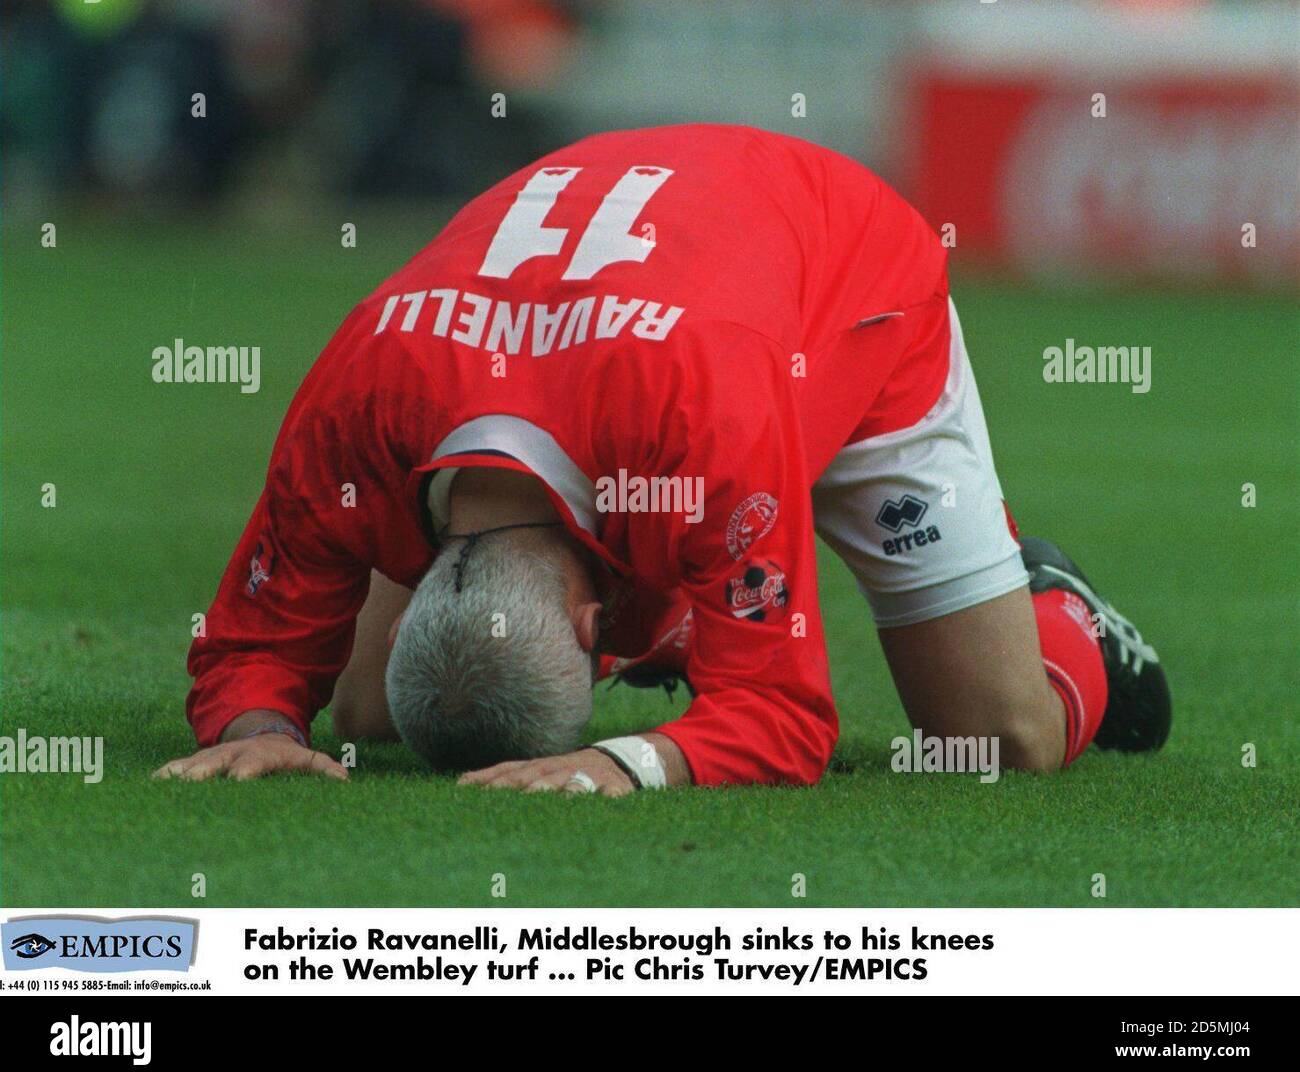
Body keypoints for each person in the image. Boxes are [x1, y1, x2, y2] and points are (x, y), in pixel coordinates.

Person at [155, 124, 1170, 794]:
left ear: (601, 624)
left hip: (846, 278)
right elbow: (256, 636)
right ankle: (679, 609)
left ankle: (1060, 605)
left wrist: (624, 761)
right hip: (638, 310)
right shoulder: (359, 399)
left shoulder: (700, 416)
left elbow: (781, 711)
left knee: (995, 740)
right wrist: (264, 723)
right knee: (371, 712)